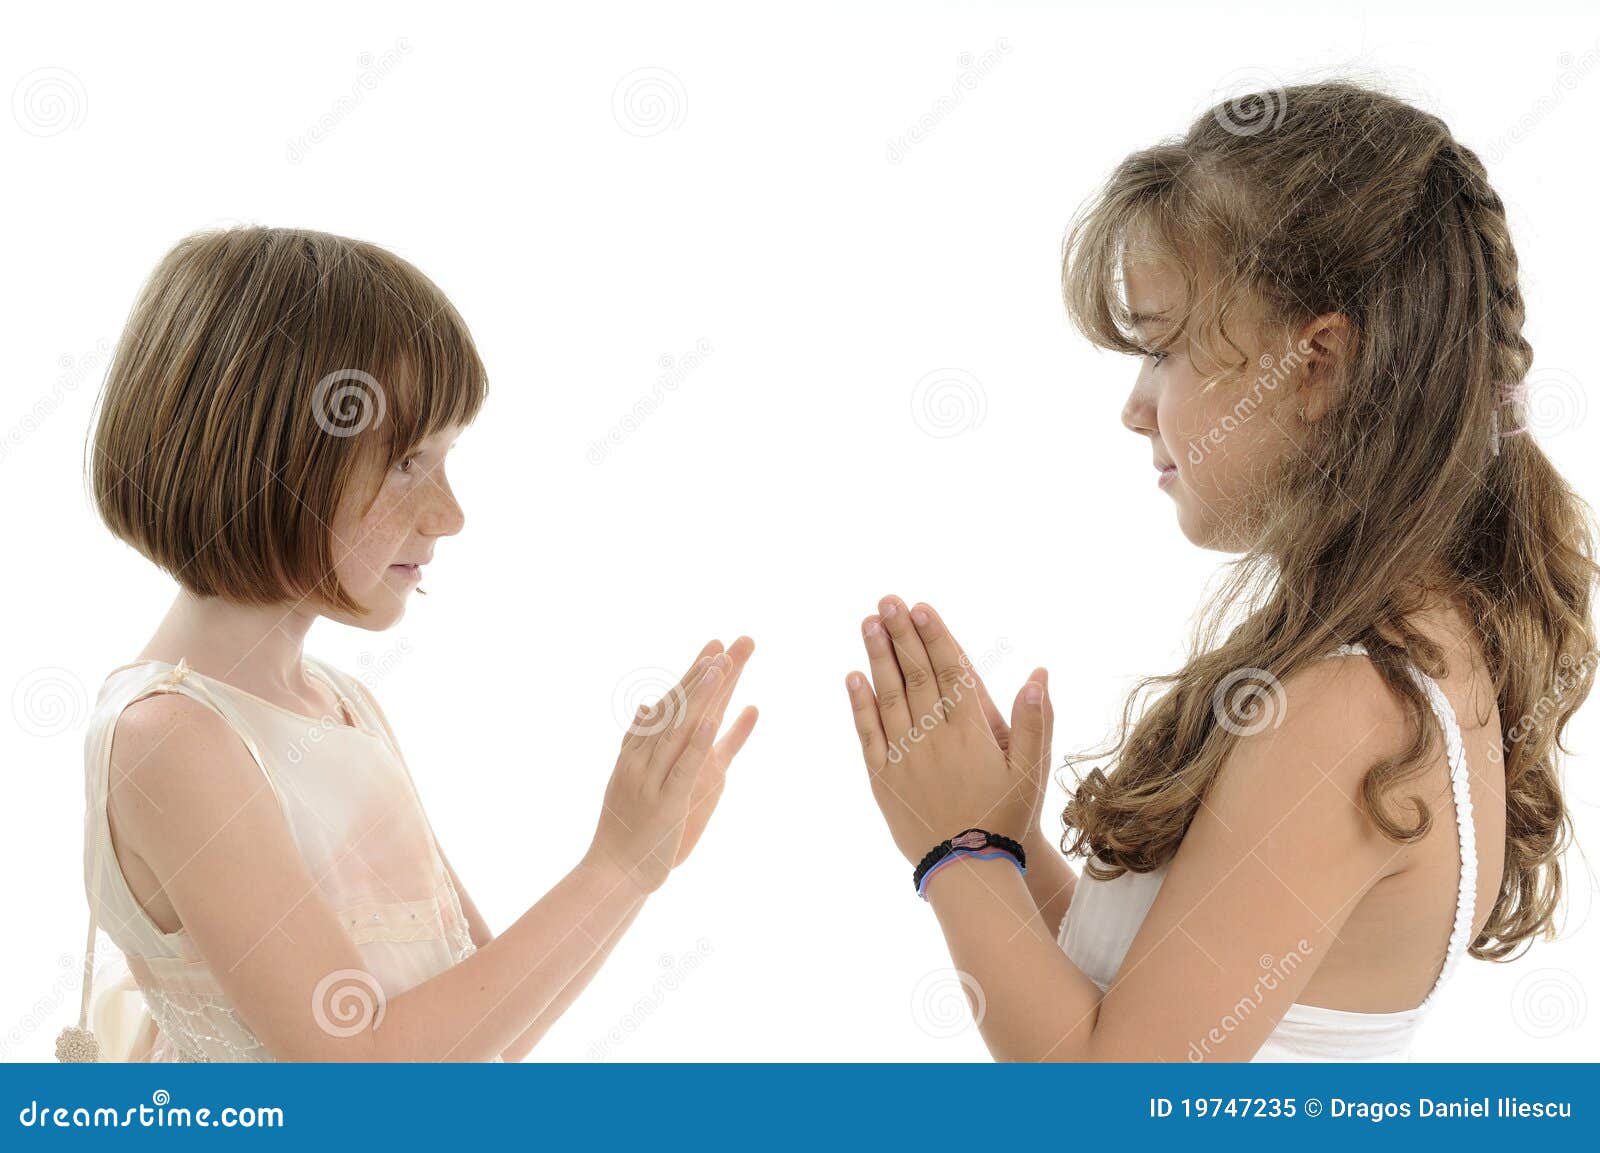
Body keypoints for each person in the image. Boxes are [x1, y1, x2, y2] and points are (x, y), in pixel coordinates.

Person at [845, 81, 1596, 1061]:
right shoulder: (1397, 654)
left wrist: (956, 852)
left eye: (1162, 348)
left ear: (1315, 365)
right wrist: (1013, 850)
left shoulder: (1348, 712)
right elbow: (1158, 1005)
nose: (1135, 405)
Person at [65, 227, 757, 1061]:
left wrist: (636, 867)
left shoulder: (345, 706)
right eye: (406, 463)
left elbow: (482, 1038)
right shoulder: (172, 739)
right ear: (265, 454)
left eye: (446, 459)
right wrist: (612, 865)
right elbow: (364, 1073)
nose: (450, 514)